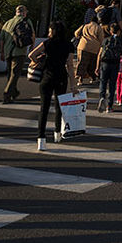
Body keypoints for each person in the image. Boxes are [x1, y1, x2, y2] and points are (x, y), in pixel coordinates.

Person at [29, 21, 76, 151]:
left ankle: (41, 139)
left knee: (44, 109)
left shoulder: (47, 43)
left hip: (47, 77)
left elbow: (31, 55)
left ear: (53, 31)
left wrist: (38, 61)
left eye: (50, 30)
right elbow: (70, 65)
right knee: (59, 107)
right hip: (61, 77)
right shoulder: (69, 45)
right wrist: (73, 85)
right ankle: (57, 133)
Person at [0, 5, 35, 104]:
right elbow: (32, 34)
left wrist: (1, 52)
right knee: (15, 74)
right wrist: (32, 46)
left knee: (10, 74)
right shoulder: (26, 21)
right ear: (24, 12)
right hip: (19, 51)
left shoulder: (8, 22)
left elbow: (1, 39)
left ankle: (14, 92)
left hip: (8, 51)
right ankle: (7, 94)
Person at [73, 10, 108, 86]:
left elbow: (76, 33)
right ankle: (93, 78)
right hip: (94, 48)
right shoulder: (98, 28)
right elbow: (101, 39)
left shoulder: (85, 26)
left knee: (82, 63)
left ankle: (80, 79)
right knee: (92, 64)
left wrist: (81, 37)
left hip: (82, 46)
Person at [96, 23, 122, 112]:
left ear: (110, 31)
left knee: (103, 82)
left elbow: (100, 54)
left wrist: (97, 67)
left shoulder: (105, 40)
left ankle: (102, 97)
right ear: (118, 31)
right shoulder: (121, 41)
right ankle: (109, 106)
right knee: (112, 85)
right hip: (115, 64)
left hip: (105, 63)